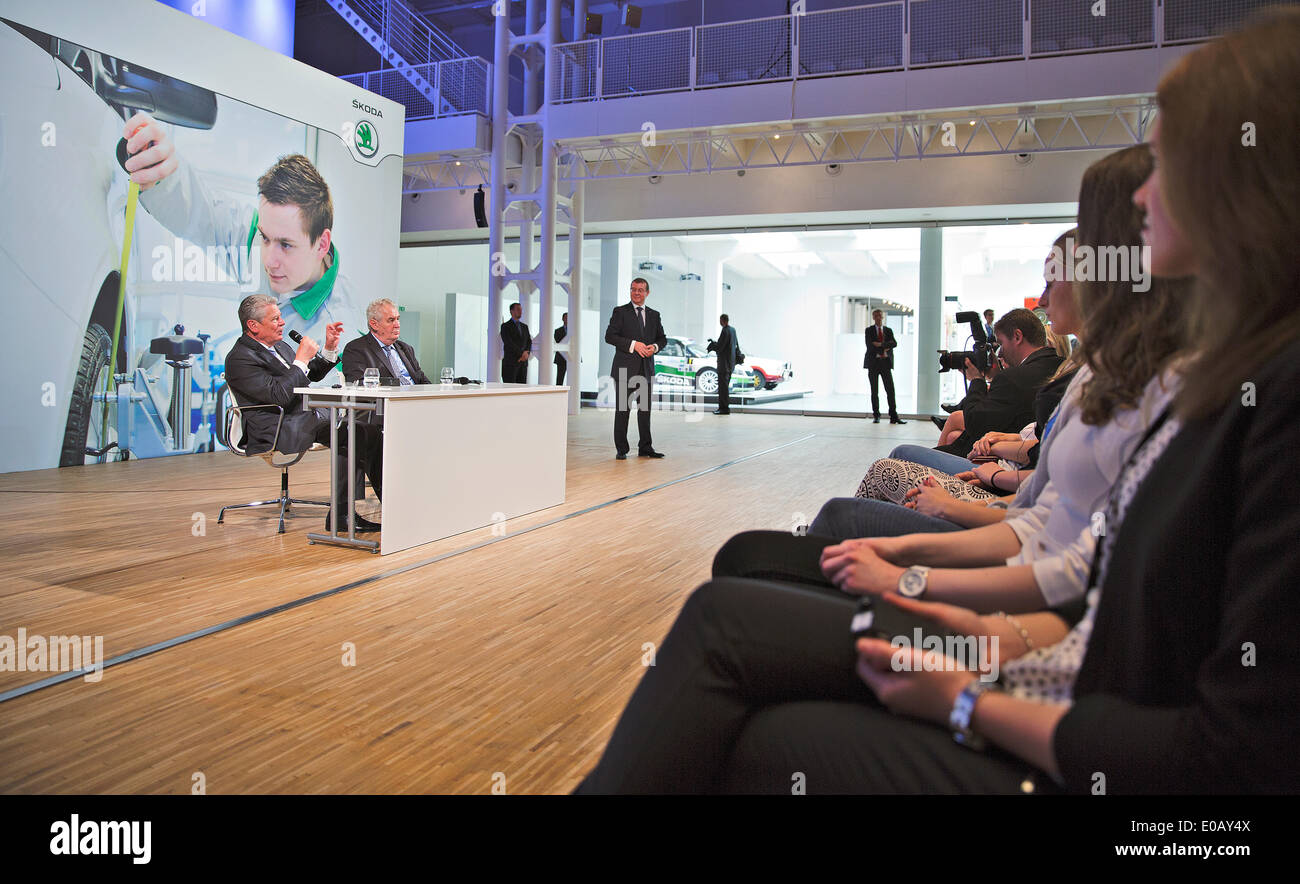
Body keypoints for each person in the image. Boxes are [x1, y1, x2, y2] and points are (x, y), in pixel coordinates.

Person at [577, 10, 1300, 793]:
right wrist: (964, 614)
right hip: (1047, 664)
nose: (1151, 196)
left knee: (748, 653)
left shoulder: (1237, 397)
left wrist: (962, 681)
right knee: (768, 631)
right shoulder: (1199, 384)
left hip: (1069, 714)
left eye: (1168, 162)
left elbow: (1219, 744)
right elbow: (1082, 570)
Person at [130, 145, 362, 346]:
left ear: (321, 245)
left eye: (286, 245)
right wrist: (158, 173)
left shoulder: (339, 334)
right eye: (265, 237)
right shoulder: (252, 241)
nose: (268, 260)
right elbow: (202, 211)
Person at [224, 295, 383, 532]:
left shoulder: (280, 347)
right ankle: (341, 515)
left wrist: (329, 349)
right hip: (275, 427)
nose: (282, 323)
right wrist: (300, 360)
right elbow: (278, 395)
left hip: (302, 418)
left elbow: (309, 376)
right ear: (253, 326)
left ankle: (390, 503)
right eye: (275, 319)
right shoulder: (240, 358)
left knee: (370, 431)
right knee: (352, 433)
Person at [926, 309, 1061, 460]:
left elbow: (975, 424)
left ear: (1017, 337)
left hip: (991, 460)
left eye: (1002, 343)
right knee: (953, 436)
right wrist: (997, 377)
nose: (1000, 353)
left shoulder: (1013, 378)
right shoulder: (1060, 367)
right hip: (1021, 452)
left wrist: (976, 379)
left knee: (902, 453)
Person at [605, 277, 667, 459]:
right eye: (633, 289)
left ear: (647, 293)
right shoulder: (620, 312)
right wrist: (634, 345)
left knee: (645, 411)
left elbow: (662, 338)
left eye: (640, 290)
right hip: (624, 370)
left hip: (646, 370)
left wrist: (654, 347)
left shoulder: (654, 315)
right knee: (623, 410)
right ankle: (622, 450)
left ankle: (645, 448)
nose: (636, 293)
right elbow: (610, 336)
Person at [341, 298, 431, 387]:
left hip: (415, 398)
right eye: (391, 320)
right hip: (389, 400)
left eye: (398, 319)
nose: (397, 325)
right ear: (374, 324)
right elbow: (358, 384)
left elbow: (422, 380)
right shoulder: (356, 349)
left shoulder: (406, 348)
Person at [863, 309, 905, 424]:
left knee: (890, 390)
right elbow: (870, 346)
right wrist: (886, 347)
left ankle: (893, 416)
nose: (878, 317)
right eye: (875, 315)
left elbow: (894, 343)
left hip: (885, 363)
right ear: (873, 317)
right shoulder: (869, 330)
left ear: (882, 317)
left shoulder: (888, 330)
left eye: (879, 316)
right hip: (873, 364)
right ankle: (876, 415)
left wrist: (880, 344)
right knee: (874, 391)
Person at [705, 314, 740, 415]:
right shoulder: (733, 330)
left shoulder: (725, 331)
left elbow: (720, 347)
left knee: (723, 388)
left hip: (724, 365)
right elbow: (734, 345)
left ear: (722, 320)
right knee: (725, 387)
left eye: (720, 320)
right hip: (731, 364)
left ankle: (723, 409)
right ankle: (725, 408)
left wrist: (713, 345)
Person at [499, 302, 532, 384]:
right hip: (511, 364)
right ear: (511, 311)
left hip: (523, 364)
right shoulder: (505, 326)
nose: (520, 311)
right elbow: (508, 343)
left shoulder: (525, 327)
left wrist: (527, 353)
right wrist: (521, 354)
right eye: (518, 309)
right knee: (510, 390)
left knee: (522, 391)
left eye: (521, 309)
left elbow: (529, 341)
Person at [554, 312, 569, 387]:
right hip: (561, 359)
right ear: (563, 319)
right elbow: (558, 343)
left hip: (572, 359)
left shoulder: (575, 330)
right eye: (566, 317)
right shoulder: (557, 331)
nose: (567, 319)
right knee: (559, 380)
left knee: (572, 380)